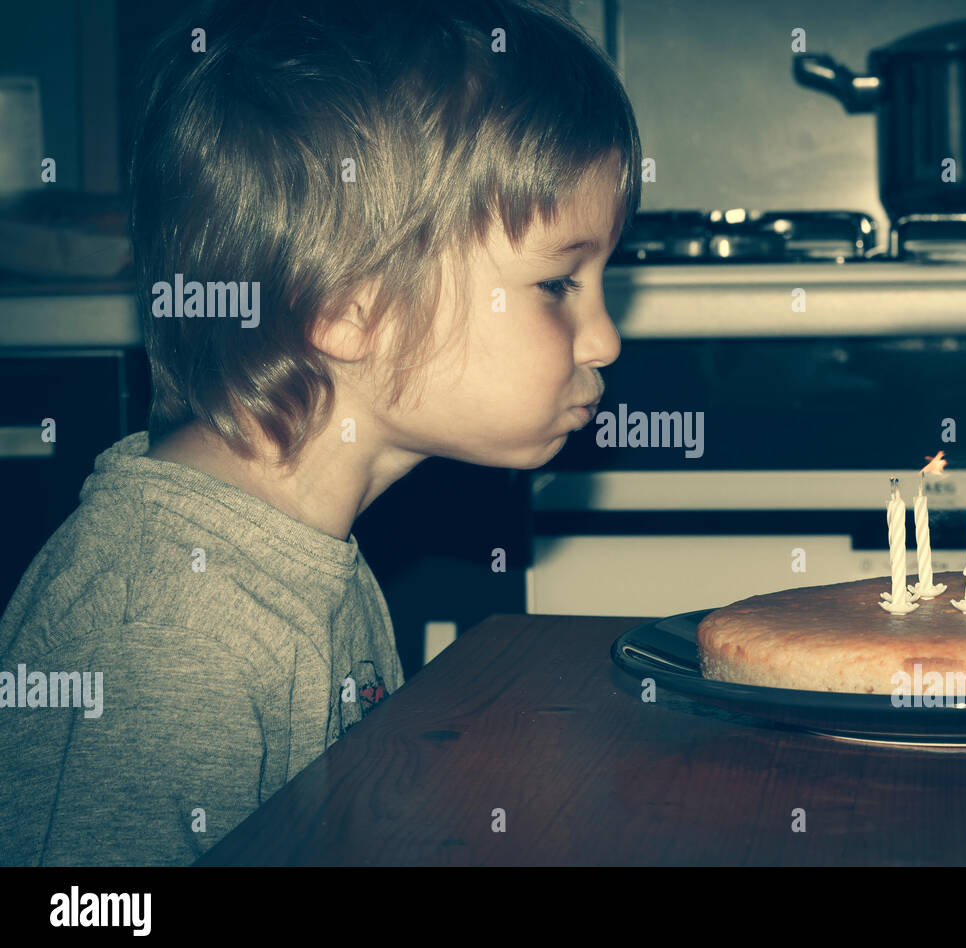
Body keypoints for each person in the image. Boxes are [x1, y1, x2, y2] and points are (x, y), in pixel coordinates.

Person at [0, 0, 640, 865]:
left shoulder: (305, 556)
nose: (605, 339)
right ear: (349, 307)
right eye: (560, 282)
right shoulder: (170, 629)